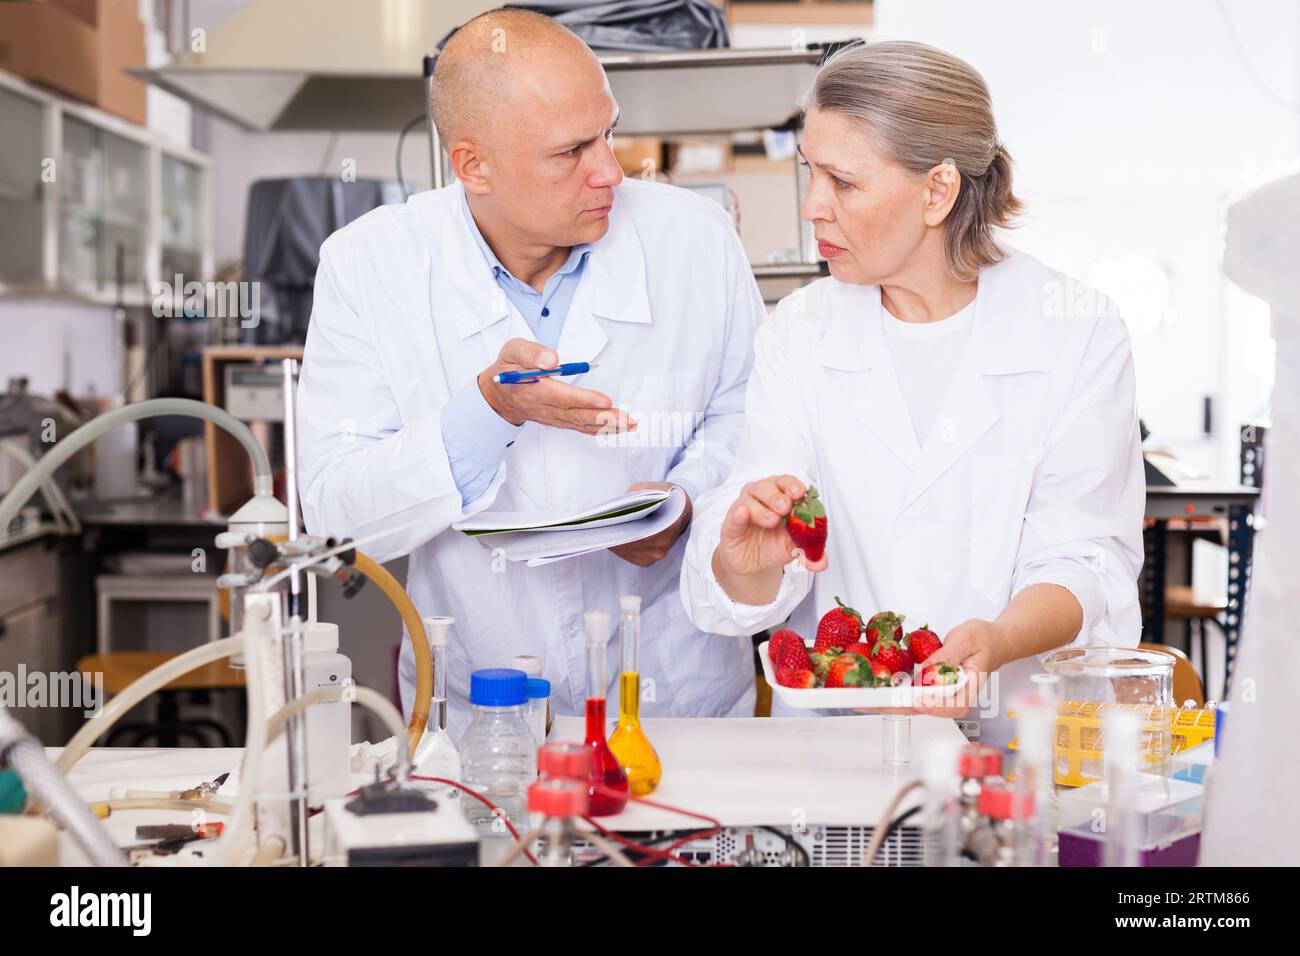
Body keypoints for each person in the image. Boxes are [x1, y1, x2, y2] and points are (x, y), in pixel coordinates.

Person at [296, 9, 764, 741]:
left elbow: (750, 418)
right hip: (484, 712)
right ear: (473, 165)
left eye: (608, 132)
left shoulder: (696, 240)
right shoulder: (368, 266)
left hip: (680, 698)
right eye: (572, 150)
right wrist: (488, 413)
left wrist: (685, 502)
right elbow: (334, 519)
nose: (610, 170)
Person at [680, 41, 1145, 746]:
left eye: (843, 181)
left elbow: (1084, 559)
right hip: (842, 753)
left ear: (938, 191)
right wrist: (742, 561)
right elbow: (754, 573)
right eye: (810, 172)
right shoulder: (801, 332)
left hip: (1019, 748)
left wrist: (996, 637)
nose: (812, 206)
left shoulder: (1075, 329)